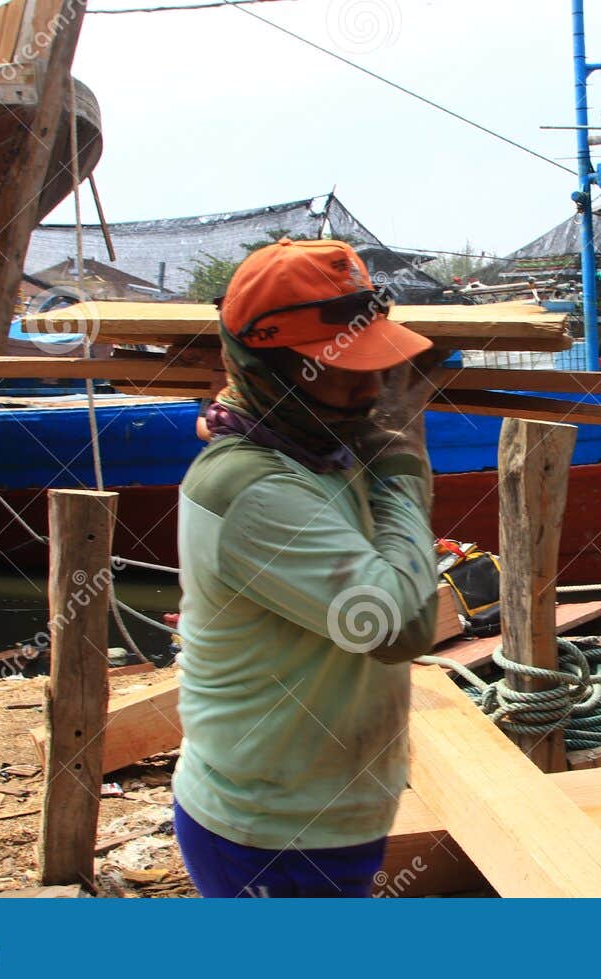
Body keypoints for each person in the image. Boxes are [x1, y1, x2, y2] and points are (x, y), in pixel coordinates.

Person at [172, 238, 441, 898]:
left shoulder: (310, 439)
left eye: (375, 363)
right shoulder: (253, 489)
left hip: (326, 811)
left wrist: (367, 434)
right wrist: (400, 459)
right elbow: (398, 623)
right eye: (344, 368)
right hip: (273, 833)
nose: (374, 386)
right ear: (270, 369)